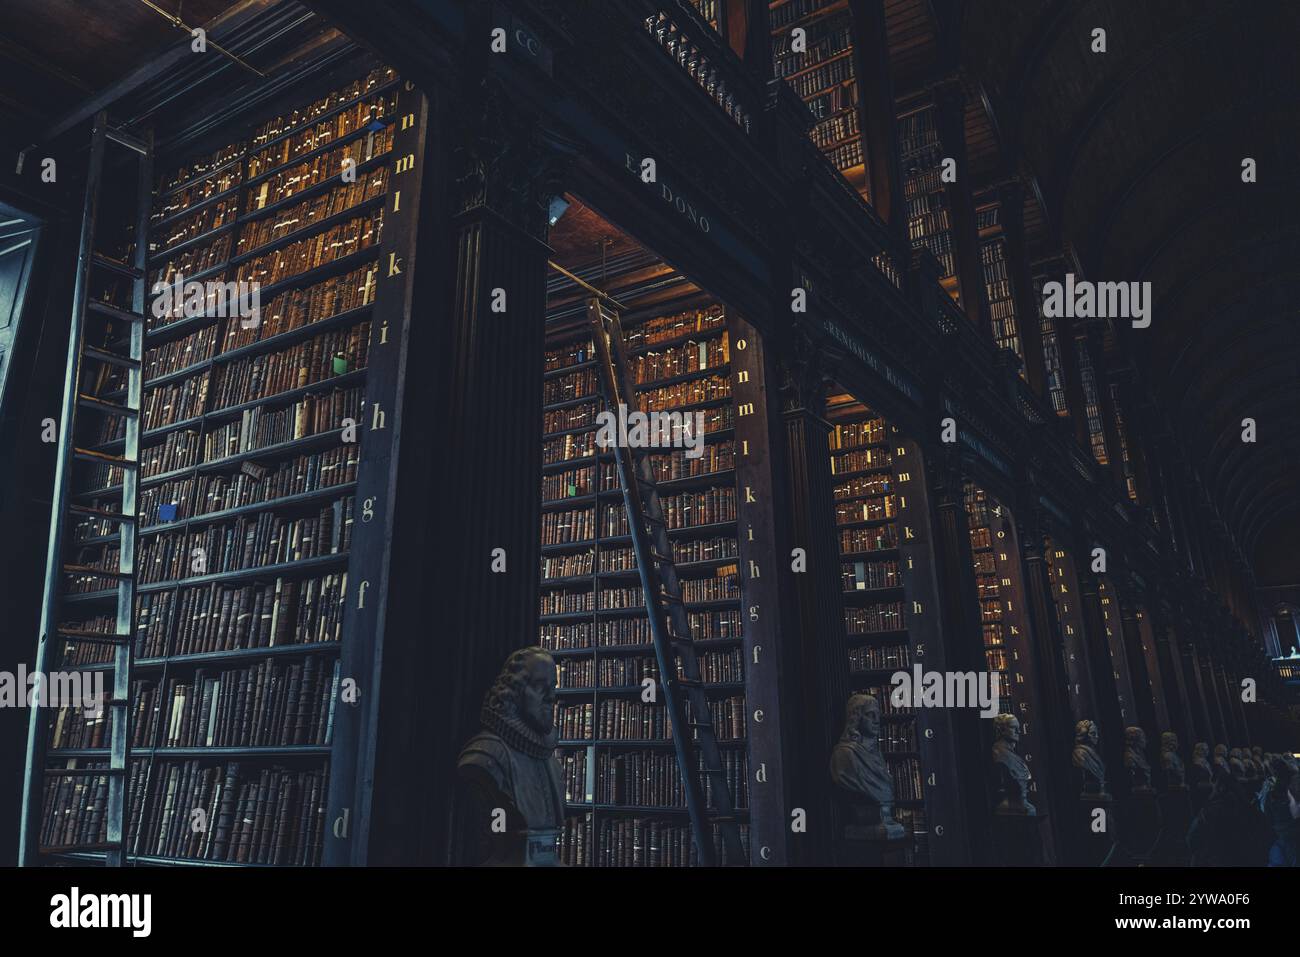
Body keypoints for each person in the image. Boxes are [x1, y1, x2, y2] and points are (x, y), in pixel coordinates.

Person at [1186, 767, 1274, 866]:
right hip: (1243, 859)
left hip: (1216, 860)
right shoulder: (1249, 809)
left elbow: (1191, 839)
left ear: (1219, 788)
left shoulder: (1208, 811)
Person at [1263, 757, 1300, 867]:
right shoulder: (1291, 788)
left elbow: (1268, 814)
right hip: (1290, 832)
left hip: (1282, 832)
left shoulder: (1272, 792)